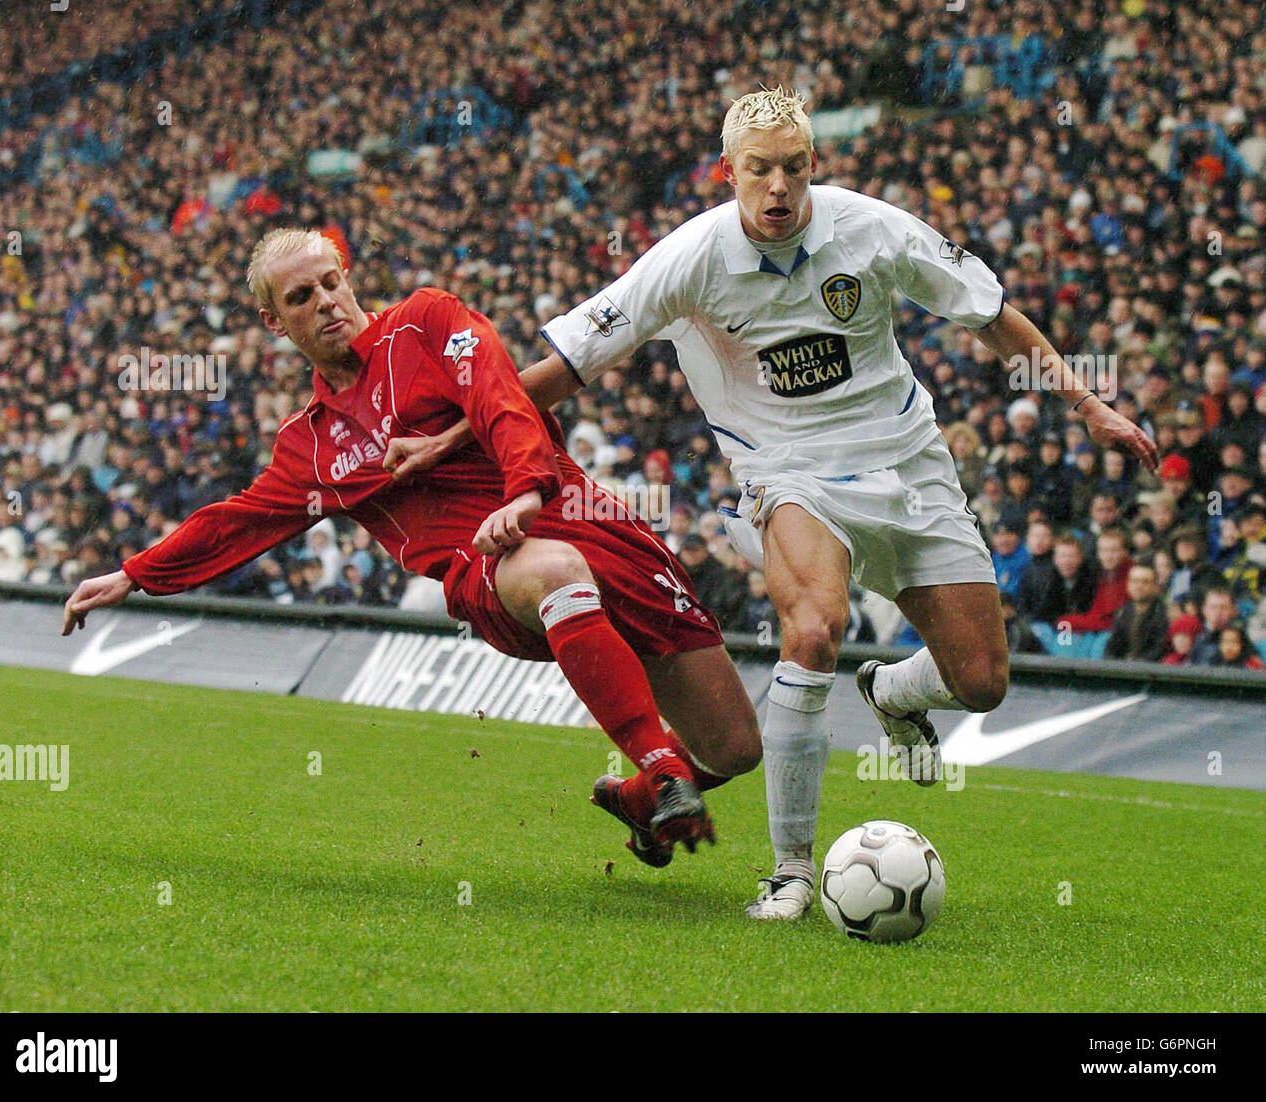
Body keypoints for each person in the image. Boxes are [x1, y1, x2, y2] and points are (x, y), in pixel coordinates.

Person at [385, 88, 1158, 920]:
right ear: (730, 172)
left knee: (981, 683)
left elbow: (995, 318)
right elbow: (564, 371)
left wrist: (1088, 405)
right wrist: (450, 440)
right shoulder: (689, 257)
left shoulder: (872, 228)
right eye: (760, 170)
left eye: (794, 167)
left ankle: (895, 693)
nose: (779, 187)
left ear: (813, 166)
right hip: (786, 469)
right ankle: (791, 871)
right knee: (814, 628)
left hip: (906, 458)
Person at [62, 228, 762, 868]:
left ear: (348, 275)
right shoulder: (311, 445)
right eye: (302, 297)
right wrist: (134, 575)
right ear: (274, 322)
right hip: (489, 569)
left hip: (587, 522)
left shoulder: (428, 322)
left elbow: (497, 395)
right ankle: (663, 770)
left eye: (332, 281)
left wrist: (524, 488)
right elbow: (236, 522)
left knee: (735, 748)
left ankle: (640, 798)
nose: (327, 302)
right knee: (553, 570)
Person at [1102, 560, 1169, 661]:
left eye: (1145, 582)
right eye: (1135, 581)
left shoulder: (1164, 615)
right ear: (1128, 584)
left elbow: (1158, 651)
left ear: (1155, 586)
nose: (1139, 586)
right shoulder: (1123, 612)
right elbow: (1112, 646)